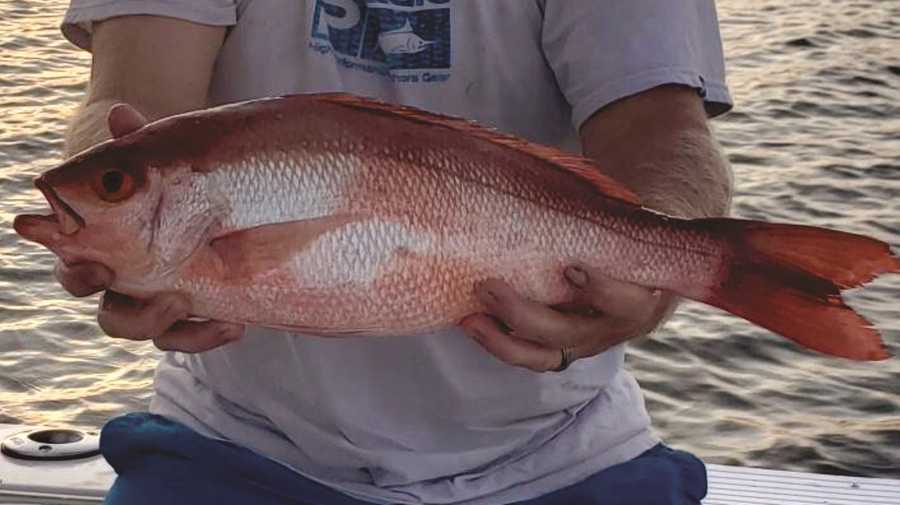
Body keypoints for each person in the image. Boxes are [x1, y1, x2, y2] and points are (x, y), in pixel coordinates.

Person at [57, 1, 733, 504]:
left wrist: (658, 267)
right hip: (229, 442)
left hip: (561, 453)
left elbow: (663, 127)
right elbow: (127, 99)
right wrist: (113, 204)